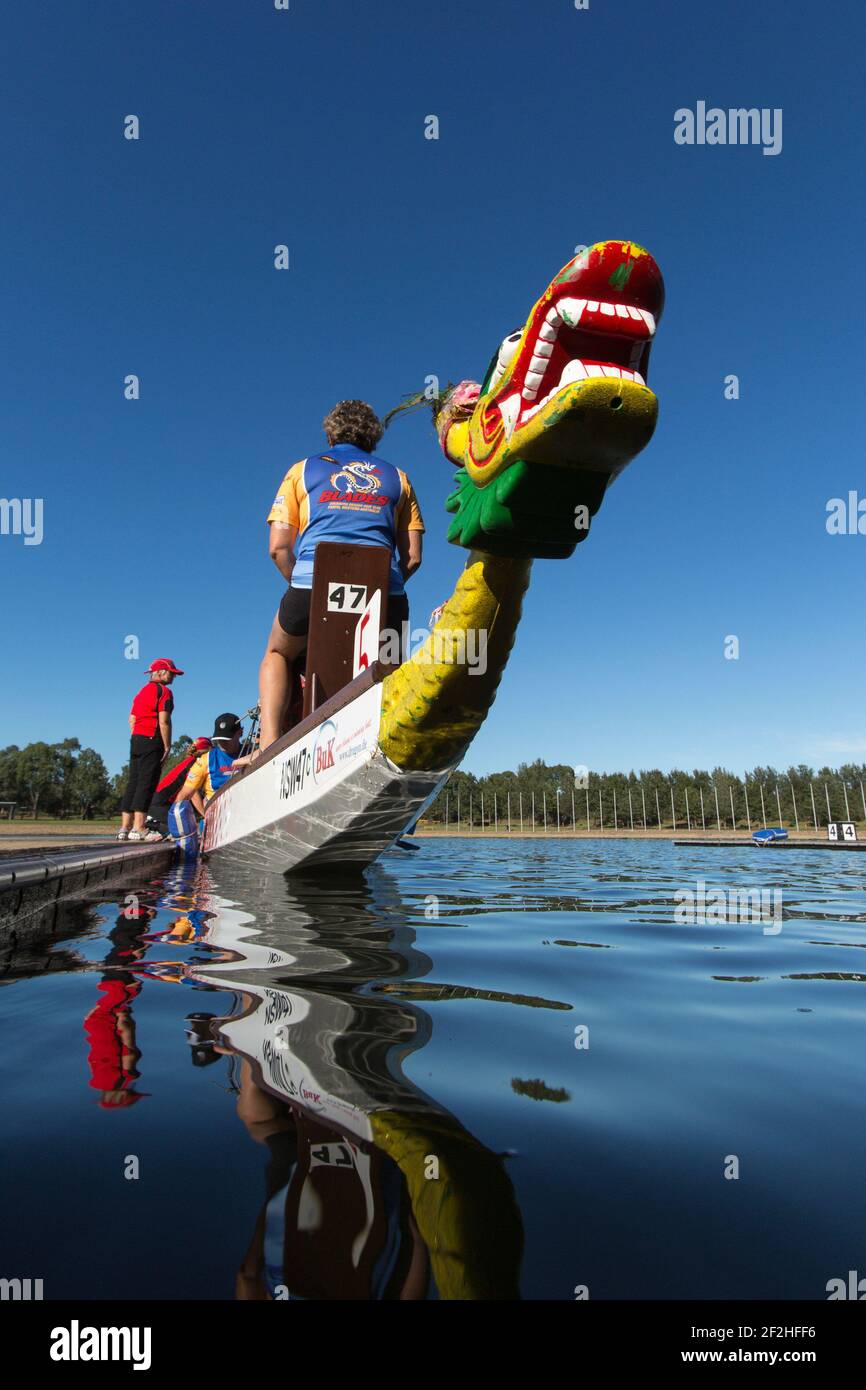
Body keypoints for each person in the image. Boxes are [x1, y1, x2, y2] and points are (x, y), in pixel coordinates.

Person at [258, 399, 425, 751]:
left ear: (330, 433)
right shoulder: (399, 478)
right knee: (389, 667)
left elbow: (278, 548)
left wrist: (307, 587)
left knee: (278, 654)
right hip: (386, 593)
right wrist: (378, 587)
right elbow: (412, 558)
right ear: (374, 436)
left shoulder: (301, 470)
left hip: (311, 584)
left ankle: (268, 745)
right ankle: (387, 742)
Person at [118, 659, 184, 842]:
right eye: (171, 673)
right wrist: (167, 745)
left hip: (136, 739)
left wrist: (137, 736)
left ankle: (124, 828)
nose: (173, 677)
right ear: (161, 672)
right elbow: (164, 721)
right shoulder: (165, 692)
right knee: (146, 782)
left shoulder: (141, 692)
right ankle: (139, 828)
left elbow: (131, 719)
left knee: (134, 781)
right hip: (152, 738)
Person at [174, 713, 247, 814]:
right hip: (218, 813)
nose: (222, 743)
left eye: (226, 739)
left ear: (240, 732)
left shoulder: (251, 752)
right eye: (219, 739)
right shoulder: (206, 760)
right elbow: (184, 795)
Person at [143, 737, 212, 841]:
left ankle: (157, 824)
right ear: (205, 752)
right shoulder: (194, 764)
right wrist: (205, 815)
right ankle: (153, 823)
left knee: (186, 825)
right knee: (183, 830)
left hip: (159, 802)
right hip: (160, 804)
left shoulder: (189, 761)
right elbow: (193, 794)